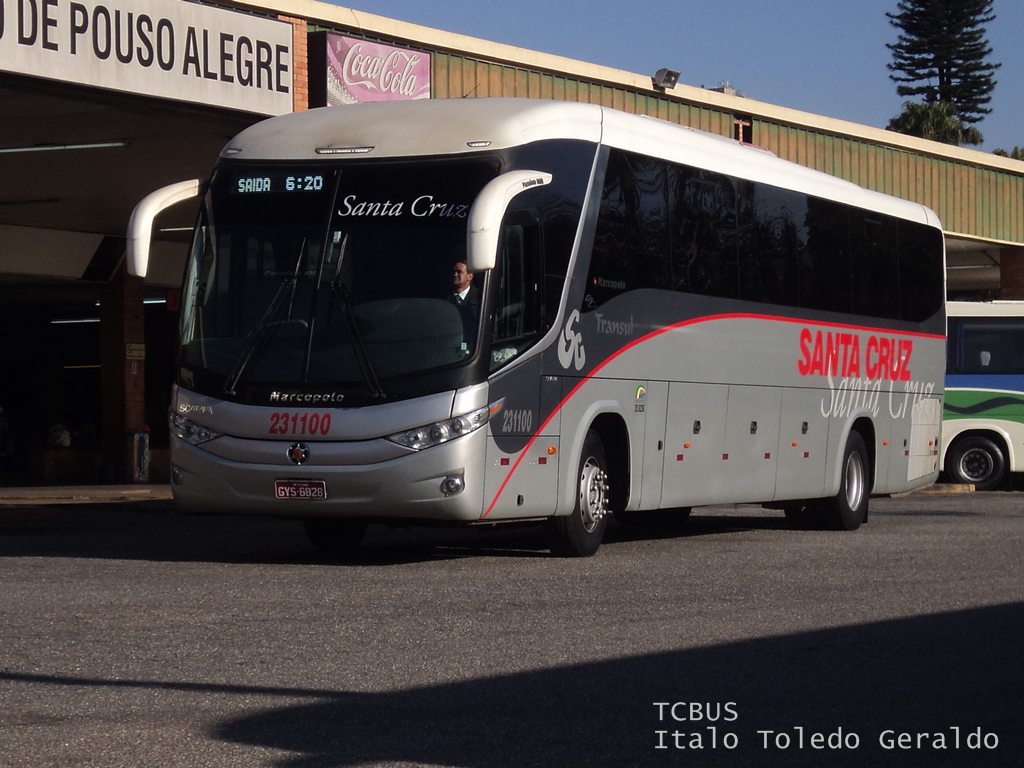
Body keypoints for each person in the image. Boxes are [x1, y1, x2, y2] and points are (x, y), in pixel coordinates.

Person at [448, 261, 480, 350]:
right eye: (454, 271)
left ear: (470, 276)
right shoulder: (445, 299)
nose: (455, 274)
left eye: (459, 272)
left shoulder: (481, 298)